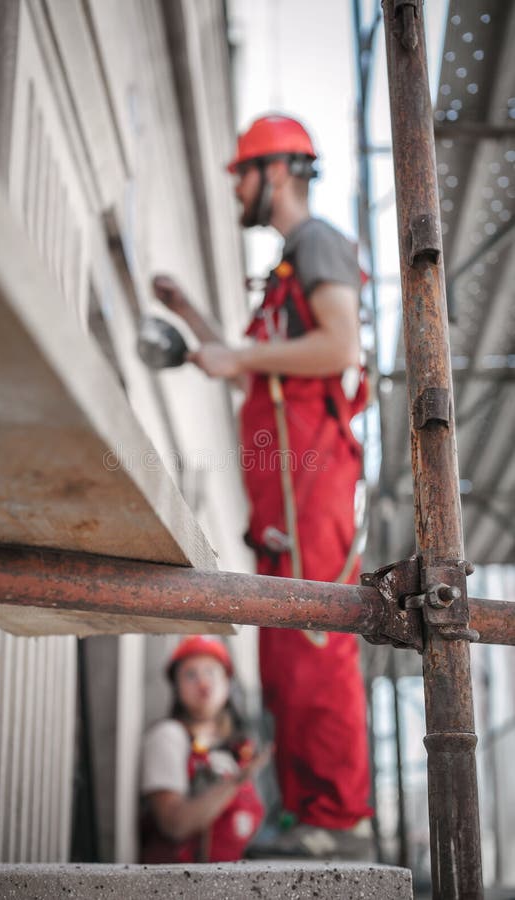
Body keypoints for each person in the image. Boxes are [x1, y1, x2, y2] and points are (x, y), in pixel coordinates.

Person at [151, 114, 374, 861]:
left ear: (274, 171)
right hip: (282, 495)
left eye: (241, 173)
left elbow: (338, 345)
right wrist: (190, 316)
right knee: (283, 652)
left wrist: (240, 350)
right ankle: (310, 811)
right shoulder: (284, 269)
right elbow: (253, 360)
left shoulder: (315, 242)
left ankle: (337, 817)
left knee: (315, 639)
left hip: (312, 477)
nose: (236, 187)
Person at [140, 635, 268, 863]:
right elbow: (175, 824)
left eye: (211, 672)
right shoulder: (169, 736)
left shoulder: (240, 748)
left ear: (228, 682)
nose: (203, 683)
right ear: (176, 687)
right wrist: (235, 783)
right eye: (190, 675)